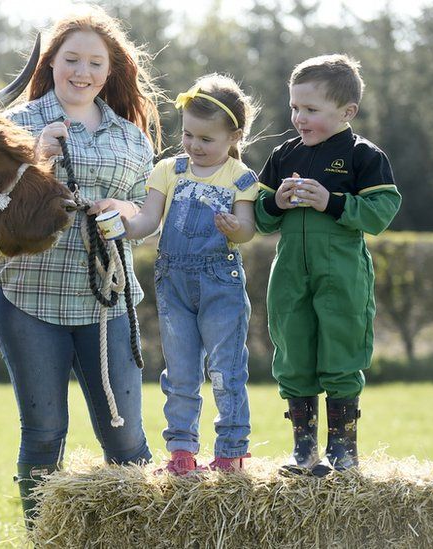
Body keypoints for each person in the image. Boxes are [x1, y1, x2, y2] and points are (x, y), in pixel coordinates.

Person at [0, 4, 161, 527]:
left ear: (111, 72)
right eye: (71, 60)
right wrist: (35, 157)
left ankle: (139, 537)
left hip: (108, 301)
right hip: (28, 298)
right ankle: (44, 538)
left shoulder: (133, 137)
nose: (82, 73)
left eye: (94, 63)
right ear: (51, 63)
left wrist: (126, 213)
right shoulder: (13, 126)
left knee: (126, 435)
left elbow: (144, 218)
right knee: (43, 431)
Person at [94, 73, 259, 475]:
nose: (195, 145)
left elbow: (249, 230)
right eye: (188, 134)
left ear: (233, 137)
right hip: (174, 281)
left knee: (226, 369)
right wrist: (123, 227)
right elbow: (149, 219)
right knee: (180, 371)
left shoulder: (241, 177)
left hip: (221, 281)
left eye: (207, 139)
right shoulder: (169, 170)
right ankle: (182, 452)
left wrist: (233, 230)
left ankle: (231, 451)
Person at [254, 54, 401, 476]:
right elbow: (260, 217)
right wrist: (276, 202)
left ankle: (343, 450)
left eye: (311, 110)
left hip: (341, 273)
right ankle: (304, 451)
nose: (299, 117)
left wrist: (332, 201)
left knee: (341, 350)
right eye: (295, 107)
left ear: (346, 112)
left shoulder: (362, 156)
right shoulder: (284, 154)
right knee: (293, 352)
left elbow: (382, 210)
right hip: (289, 274)